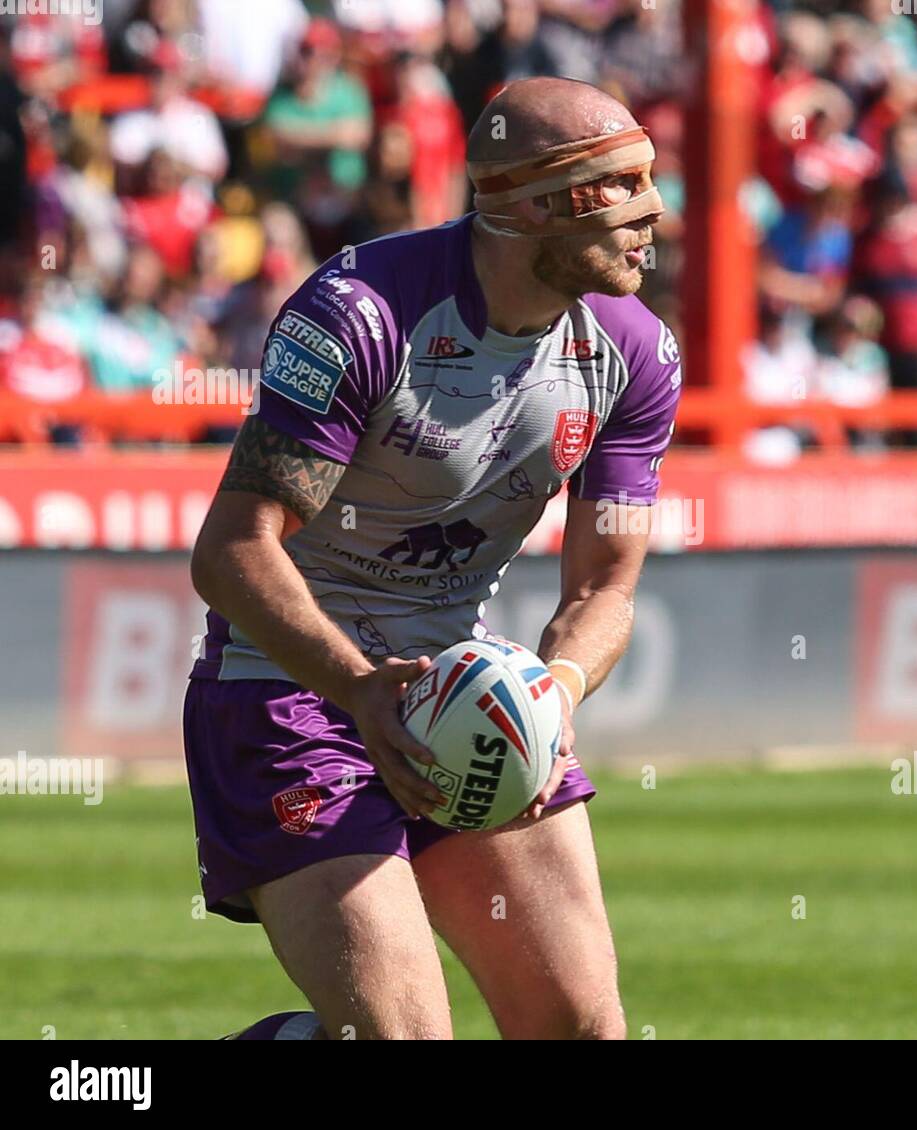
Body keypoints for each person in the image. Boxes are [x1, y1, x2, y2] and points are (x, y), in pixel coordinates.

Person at [186, 76, 680, 1040]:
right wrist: (363, 687)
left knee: (582, 1030)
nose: (649, 216)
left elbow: (606, 586)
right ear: (530, 204)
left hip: (462, 696)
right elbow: (232, 553)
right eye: (616, 190)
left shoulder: (636, 350)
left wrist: (559, 695)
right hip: (289, 693)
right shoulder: (359, 313)